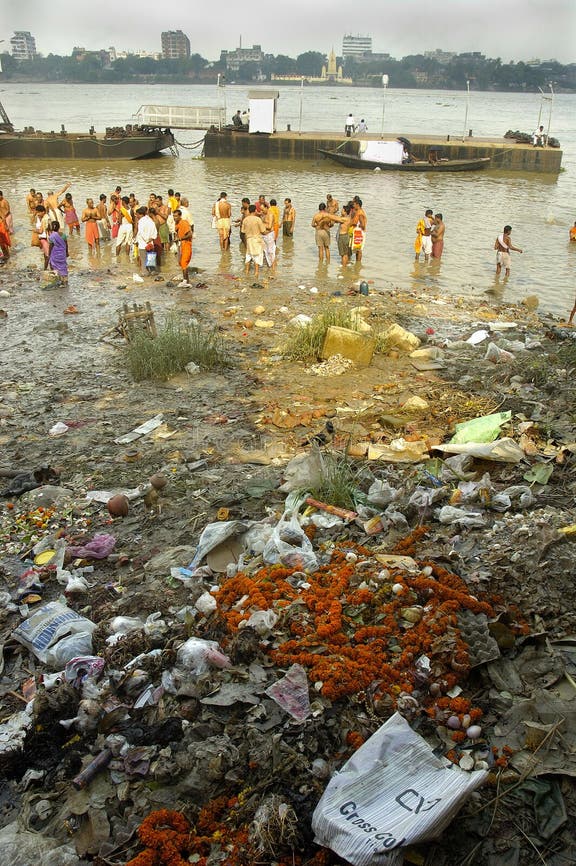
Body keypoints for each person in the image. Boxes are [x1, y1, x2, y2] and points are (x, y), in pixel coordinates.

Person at [242, 204, 267, 280]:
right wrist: (269, 231)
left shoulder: (245, 220)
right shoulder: (258, 219)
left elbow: (243, 231)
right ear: (255, 210)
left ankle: (246, 273)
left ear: (249, 211)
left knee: (248, 257)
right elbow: (263, 231)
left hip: (249, 240)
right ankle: (256, 274)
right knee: (257, 258)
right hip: (256, 240)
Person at [134, 206, 158, 274]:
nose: (136, 216)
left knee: (143, 260)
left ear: (140, 214)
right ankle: (153, 272)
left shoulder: (141, 222)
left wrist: (147, 240)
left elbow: (141, 232)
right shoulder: (150, 220)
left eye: (137, 215)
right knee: (151, 260)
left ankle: (145, 273)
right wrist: (152, 238)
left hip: (143, 244)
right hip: (151, 243)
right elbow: (155, 231)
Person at [173, 209, 193, 287]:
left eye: (176, 216)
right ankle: (186, 280)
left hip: (187, 245)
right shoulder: (177, 224)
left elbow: (190, 234)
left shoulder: (184, 223)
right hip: (181, 245)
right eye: (173, 216)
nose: (174, 218)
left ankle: (185, 281)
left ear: (180, 216)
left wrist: (180, 239)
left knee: (184, 262)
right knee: (181, 262)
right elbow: (176, 233)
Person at [260, 202, 277, 272]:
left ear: (266, 207)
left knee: (271, 251)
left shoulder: (270, 215)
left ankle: (273, 269)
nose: (261, 211)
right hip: (263, 235)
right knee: (265, 251)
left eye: (262, 209)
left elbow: (269, 226)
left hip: (269, 235)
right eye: (261, 210)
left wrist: (260, 224)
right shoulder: (263, 214)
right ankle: (269, 267)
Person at [350, 196, 367, 263]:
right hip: (358, 232)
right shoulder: (358, 211)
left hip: (360, 232)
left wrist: (358, 225)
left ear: (357, 205)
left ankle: (358, 263)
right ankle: (357, 264)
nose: (353, 205)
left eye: (354, 204)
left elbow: (363, 225)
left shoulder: (360, 212)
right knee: (357, 249)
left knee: (359, 250)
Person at [34, 205, 51, 269]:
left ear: (43, 212)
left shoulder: (45, 219)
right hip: (46, 238)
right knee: (46, 254)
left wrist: (34, 231)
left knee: (47, 255)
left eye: (38, 212)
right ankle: (47, 268)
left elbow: (41, 231)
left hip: (46, 238)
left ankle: (46, 269)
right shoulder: (47, 217)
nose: (38, 214)